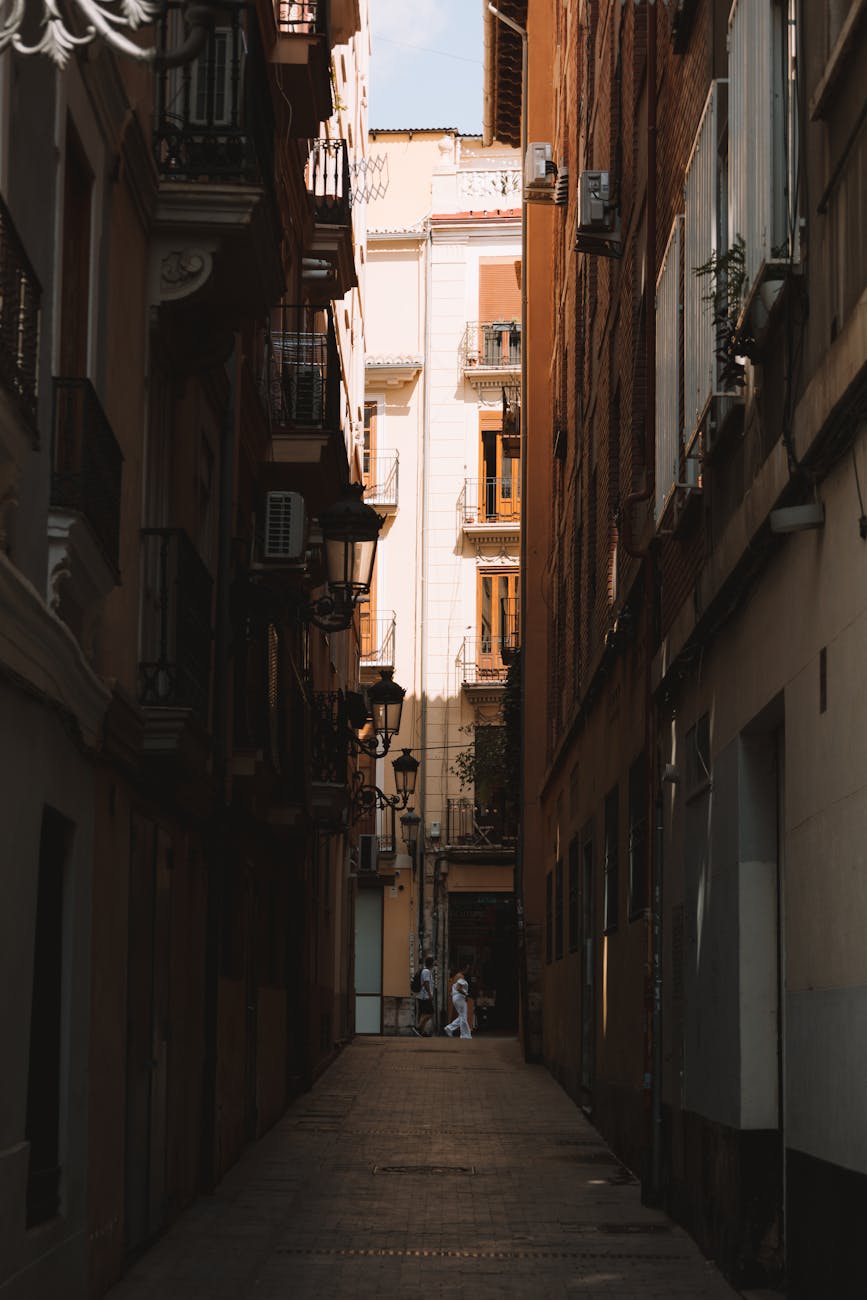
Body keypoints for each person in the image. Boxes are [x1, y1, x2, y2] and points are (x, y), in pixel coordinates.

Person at [444, 968, 472, 1039]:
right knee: (463, 1016)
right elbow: (458, 988)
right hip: (460, 998)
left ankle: (450, 1028)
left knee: (462, 1016)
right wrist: (466, 994)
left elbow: (453, 987)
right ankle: (464, 1035)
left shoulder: (456, 976)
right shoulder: (461, 976)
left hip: (456, 997)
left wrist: (451, 994)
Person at [414, 955, 435, 1036]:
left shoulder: (424, 970)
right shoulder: (426, 971)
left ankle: (421, 1032)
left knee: (423, 1013)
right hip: (424, 996)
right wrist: (429, 994)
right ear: (431, 963)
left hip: (422, 995)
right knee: (430, 1013)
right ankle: (419, 1027)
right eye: (433, 963)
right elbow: (426, 983)